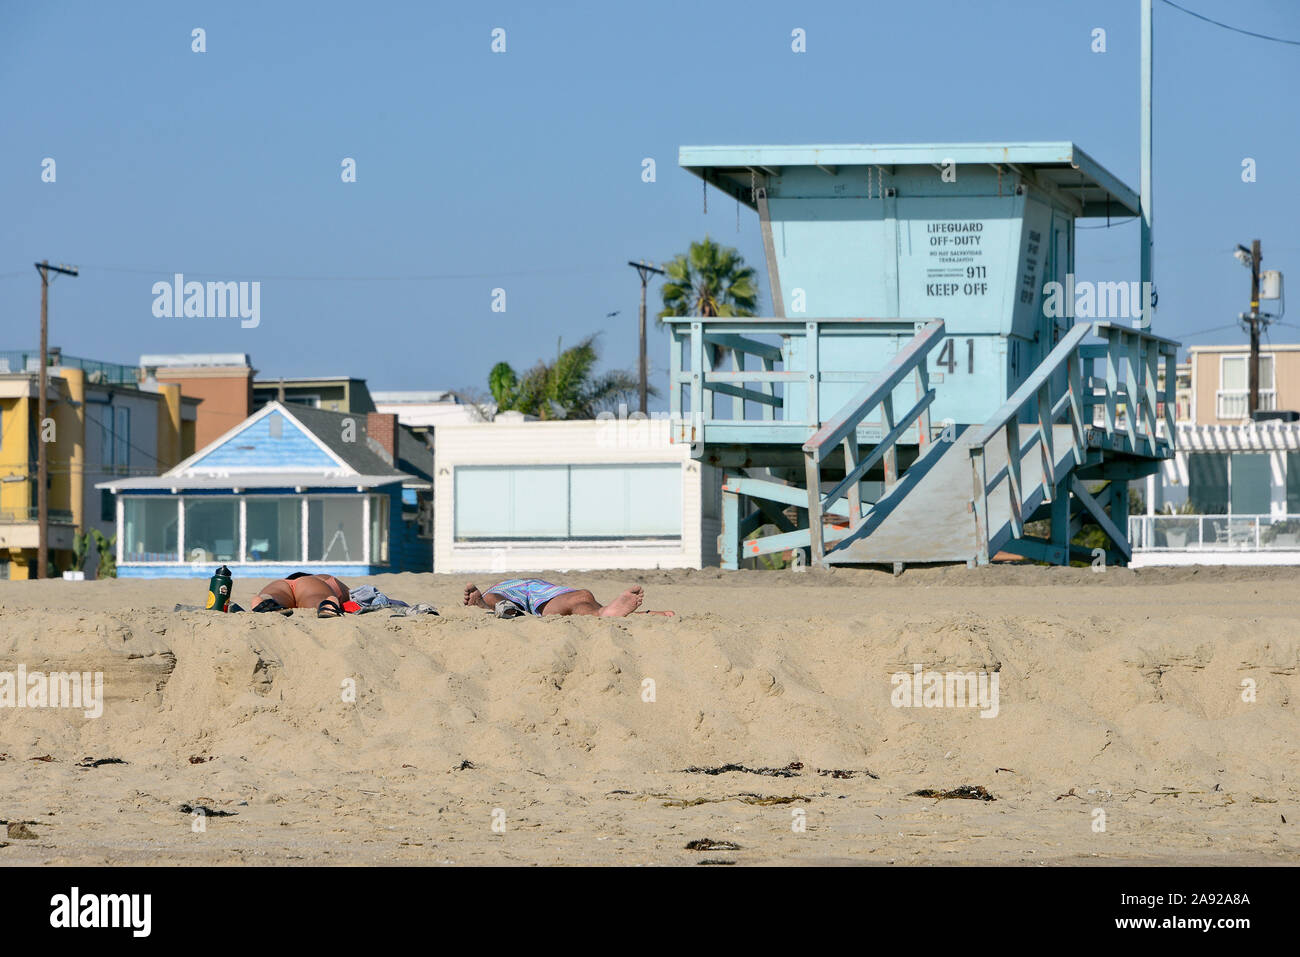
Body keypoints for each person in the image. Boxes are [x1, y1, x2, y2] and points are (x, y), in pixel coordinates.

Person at [463, 579, 673, 618]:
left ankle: (484, 603)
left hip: (519, 590)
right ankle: (604, 612)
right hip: (546, 590)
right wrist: (656, 614)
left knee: (582, 598)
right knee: (582, 600)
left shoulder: (499, 588)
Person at [252, 572, 351, 618]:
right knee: (315, 597)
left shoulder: (285, 581)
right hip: (309, 583)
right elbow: (350, 594)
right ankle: (326, 604)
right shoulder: (323, 578)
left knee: (274, 596)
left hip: (280, 584)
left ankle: (262, 600)